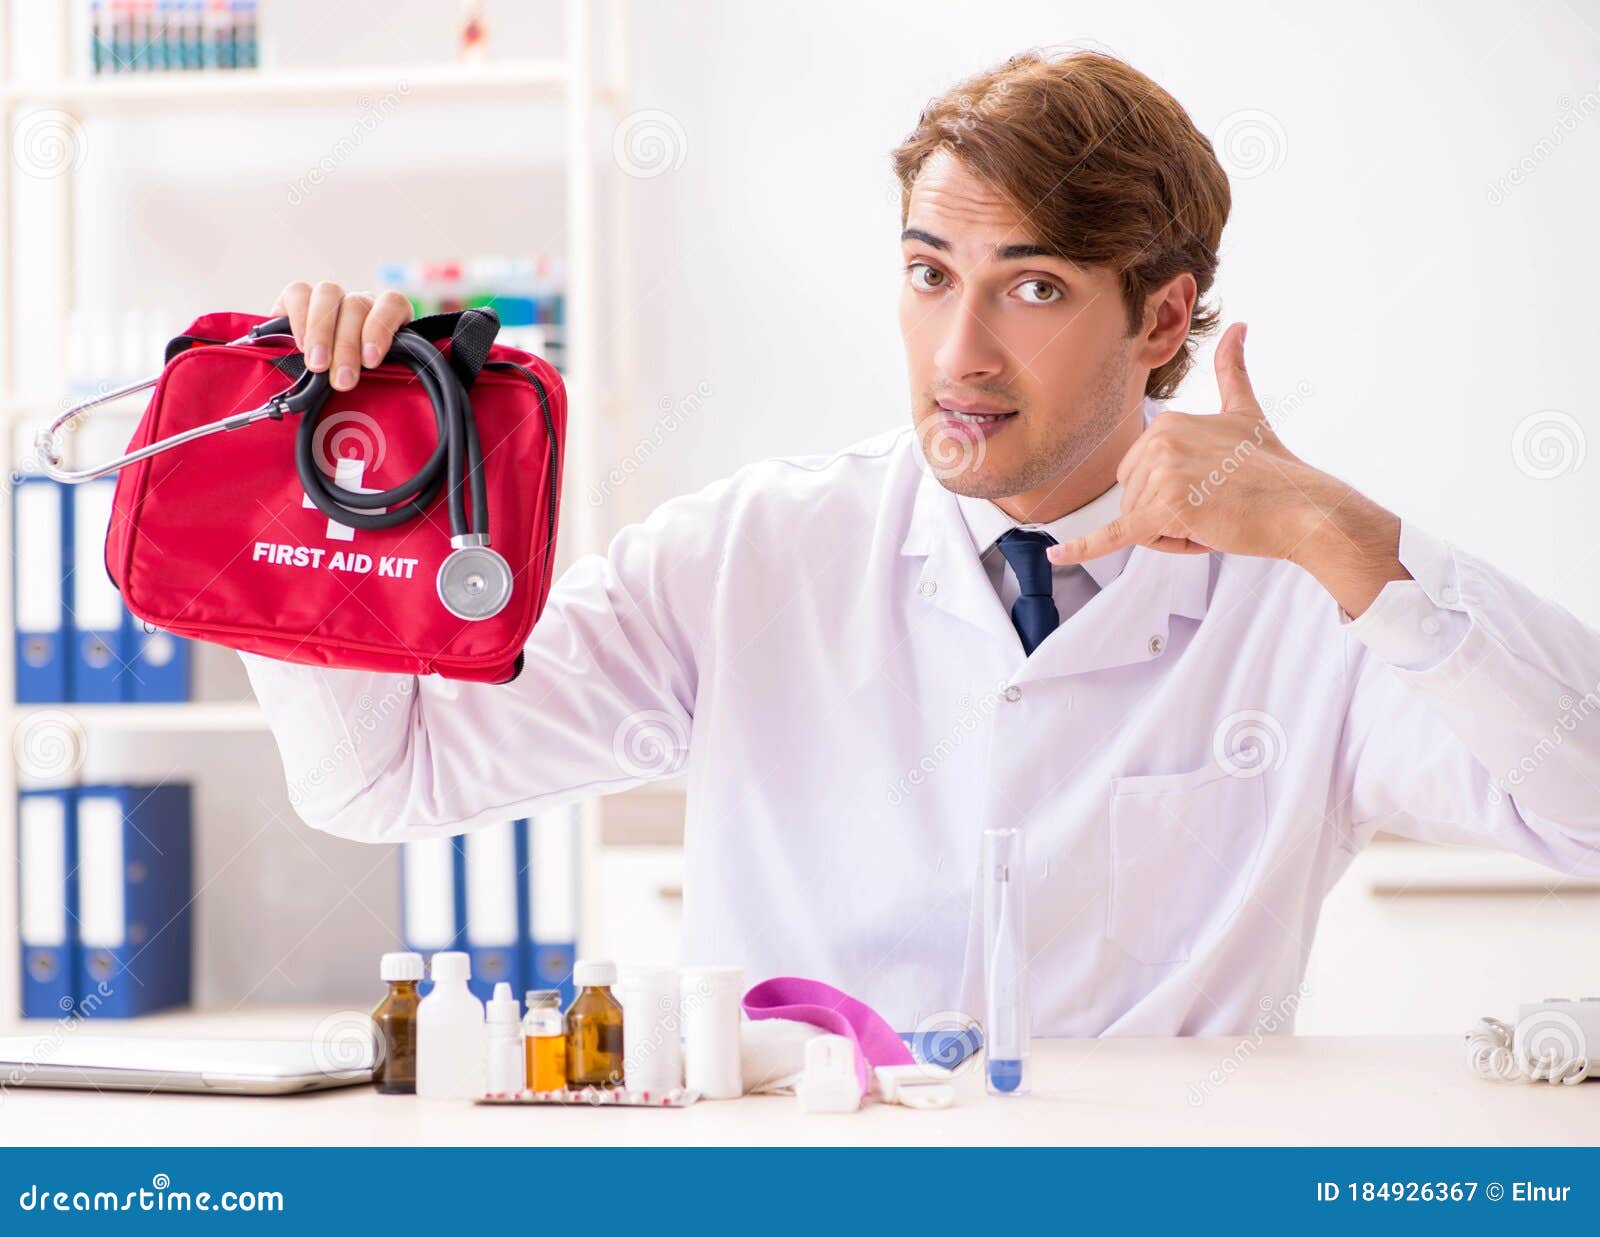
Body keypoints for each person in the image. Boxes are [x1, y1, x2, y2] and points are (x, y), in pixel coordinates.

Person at [245, 49, 1600, 1037]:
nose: (961, 352)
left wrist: (1346, 533)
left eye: (1035, 287)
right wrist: (312, 479)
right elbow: (385, 780)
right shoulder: (745, 559)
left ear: (1164, 317)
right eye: (929, 274)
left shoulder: (1307, 603)